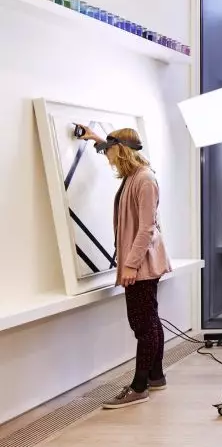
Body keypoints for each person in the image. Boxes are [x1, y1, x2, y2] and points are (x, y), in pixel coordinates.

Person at [76, 125, 172, 408]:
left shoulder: (144, 181)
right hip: (139, 263)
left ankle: (139, 386)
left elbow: (146, 228)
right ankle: (156, 376)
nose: (107, 159)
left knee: (142, 325)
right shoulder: (135, 176)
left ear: (121, 150)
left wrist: (130, 265)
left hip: (140, 265)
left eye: (109, 152)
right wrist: (96, 138)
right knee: (150, 319)